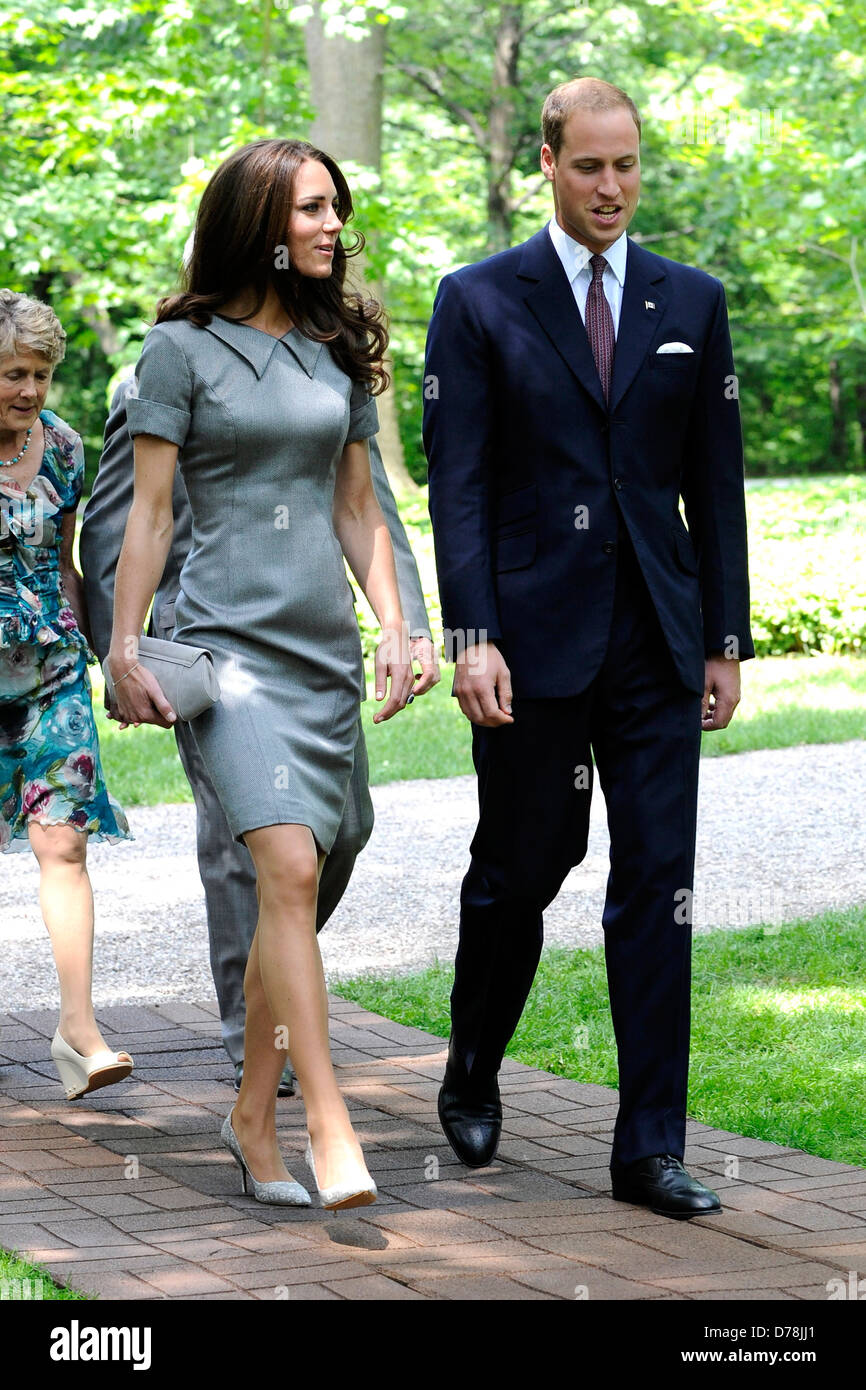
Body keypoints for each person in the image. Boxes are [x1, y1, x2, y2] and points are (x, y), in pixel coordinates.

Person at [423, 78, 754, 1219]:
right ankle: (471, 1065)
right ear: (547, 165)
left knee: (657, 882)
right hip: (529, 644)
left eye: (626, 167)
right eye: (588, 167)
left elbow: (714, 485)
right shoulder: (477, 301)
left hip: (656, 644)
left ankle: (645, 1148)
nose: (610, 188)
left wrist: (722, 639)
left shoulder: (689, 300)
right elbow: (456, 490)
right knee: (524, 867)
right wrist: (470, 636)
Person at [109, 137, 416, 1210]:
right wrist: (122, 642)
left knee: (323, 864)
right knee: (285, 869)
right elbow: (148, 515)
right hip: (222, 658)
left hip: (319, 661)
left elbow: (357, 506)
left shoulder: (337, 349)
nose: (334, 227)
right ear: (258, 227)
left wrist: (396, 626)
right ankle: (324, 1124)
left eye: (336, 209)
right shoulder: (179, 353)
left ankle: (248, 1111)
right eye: (312, 211)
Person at [80, 377, 437, 1095]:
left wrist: (415, 625)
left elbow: (370, 508)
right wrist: (120, 659)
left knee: (347, 825)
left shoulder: (325, 364)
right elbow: (115, 523)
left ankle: (270, 981)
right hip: (207, 646)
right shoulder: (162, 374)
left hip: (312, 638)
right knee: (243, 840)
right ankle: (257, 1037)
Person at [0, 289, 134, 1101]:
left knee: (64, 843)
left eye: (42, 375)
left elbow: (67, 565)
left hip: (49, 670)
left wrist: (112, 658)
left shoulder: (64, 450)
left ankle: (78, 1031)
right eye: (14, 373)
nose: (29, 391)